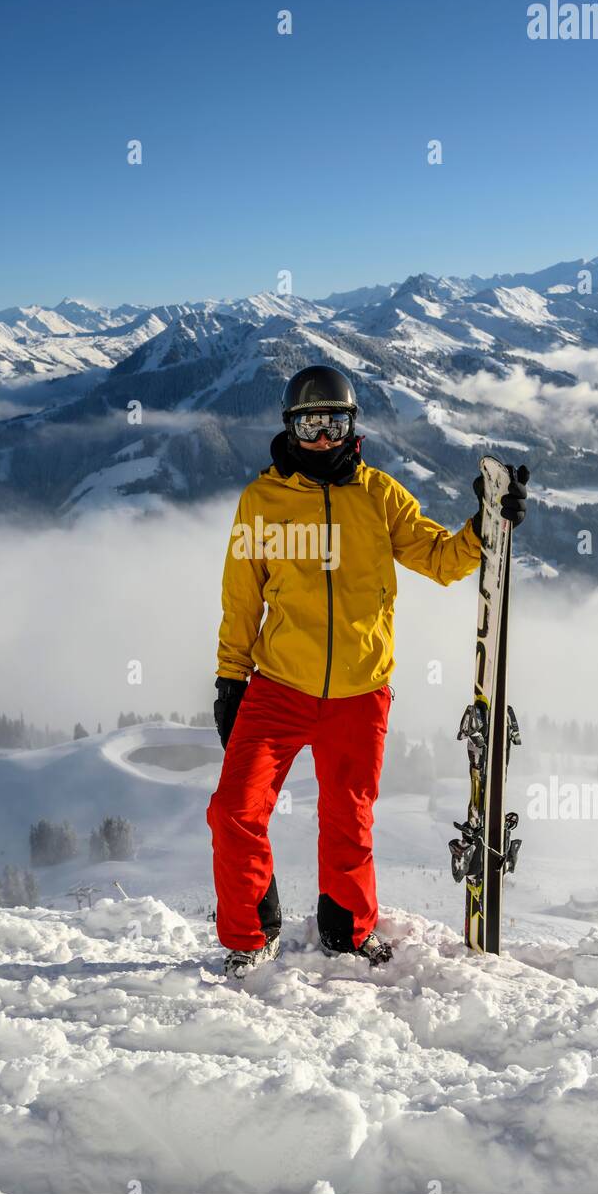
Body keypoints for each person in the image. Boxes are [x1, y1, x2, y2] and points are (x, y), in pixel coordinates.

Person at [206, 365, 529, 977]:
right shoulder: (263, 501)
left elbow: (439, 559)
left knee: (348, 818)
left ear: (352, 426)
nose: (323, 437)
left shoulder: (380, 495)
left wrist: (488, 527)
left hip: (360, 692)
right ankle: (251, 936)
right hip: (277, 687)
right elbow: (241, 596)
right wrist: (230, 679)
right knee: (234, 811)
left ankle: (347, 931)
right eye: (310, 424)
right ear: (290, 428)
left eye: (335, 422)